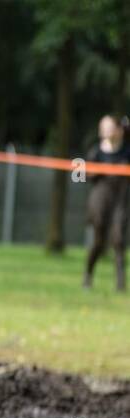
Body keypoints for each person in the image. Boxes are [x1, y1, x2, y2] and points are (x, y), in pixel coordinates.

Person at [84, 114, 130, 291]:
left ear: (119, 130)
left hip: (120, 200)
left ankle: (120, 286)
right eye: (104, 127)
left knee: (118, 240)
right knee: (98, 242)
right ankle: (87, 276)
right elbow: (78, 176)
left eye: (110, 127)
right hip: (100, 200)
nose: (107, 131)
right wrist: (98, 171)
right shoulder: (95, 151)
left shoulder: (127, 151)